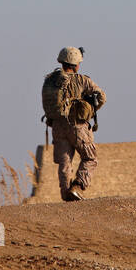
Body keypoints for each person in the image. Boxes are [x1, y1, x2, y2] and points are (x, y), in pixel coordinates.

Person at [41, 47, 105, 201]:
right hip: (78, 126)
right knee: (90, 158)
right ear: (76, 64)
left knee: (64, 162)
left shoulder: (50, 80)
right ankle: (77, 186)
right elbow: (102, 97)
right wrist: (90, 109)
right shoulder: (82, 80)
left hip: (57, 126)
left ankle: (65, 194)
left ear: (61, 62)